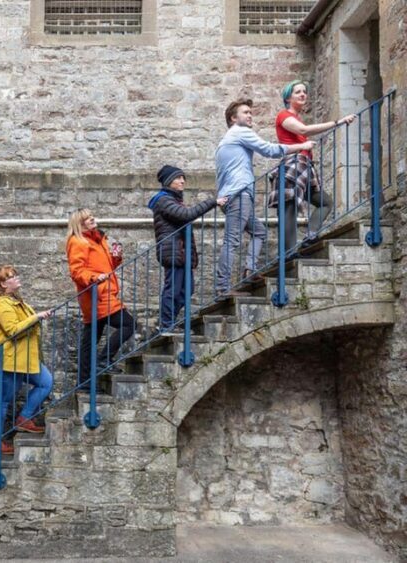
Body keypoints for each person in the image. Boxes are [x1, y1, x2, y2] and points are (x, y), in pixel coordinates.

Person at [215, 98, 316, 297]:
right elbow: (269, 150)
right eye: (245, 113)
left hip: (234, 195)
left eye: (250, 112)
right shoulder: (240, 132)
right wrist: (302, 146)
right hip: (238, 195)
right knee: (232, 240)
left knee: (259, 232)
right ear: (233, 118)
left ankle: (250, 270)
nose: (250, 115)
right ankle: (221, 287)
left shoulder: (227, 139)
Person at [270, 80, 357, 251]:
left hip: (304, 167)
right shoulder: (283, 115)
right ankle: (288, 254)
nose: (303, 94)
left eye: (304, 91)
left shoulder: (296, 117)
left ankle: (310, 234)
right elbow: (304, 130)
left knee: (325, 202)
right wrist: (337, 122)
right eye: (297, 92)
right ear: (288, 98)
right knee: (290, 209)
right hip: (293, 166)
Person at [0, 265, 53, 454]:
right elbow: (12, 330)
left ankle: (24, 417)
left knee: (46, 382)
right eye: (12, 276)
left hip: (25, 358)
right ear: (4, 284)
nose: (17, 278)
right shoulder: (2, 304)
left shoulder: (15, 300)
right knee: (4, 400)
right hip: (10, 360)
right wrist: (37, 316)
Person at [148, 166, 229, 333]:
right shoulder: (163, 200)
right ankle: (166, 324)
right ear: (168, 181)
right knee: (173, 288)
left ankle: (168, 322)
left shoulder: (173, 199)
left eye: (183, 178)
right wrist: (213, 202)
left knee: (187, 289)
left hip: (181, 252)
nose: (182, 181)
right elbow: (186, 215)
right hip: (173, 252)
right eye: (178, 178)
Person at [66, 208, 134, 382]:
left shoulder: (98, 239)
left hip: (102, 292)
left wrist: (116, 257)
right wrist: (95, 278)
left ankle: (84, 382)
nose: (91, 219)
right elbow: (77, 271)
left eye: (91, 216)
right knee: (128, 324)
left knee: (90, 340)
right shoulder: (78, 242)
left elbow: (106, 266)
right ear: (79, 224)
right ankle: (104, 360)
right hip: (97, 294)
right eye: (87, 219)